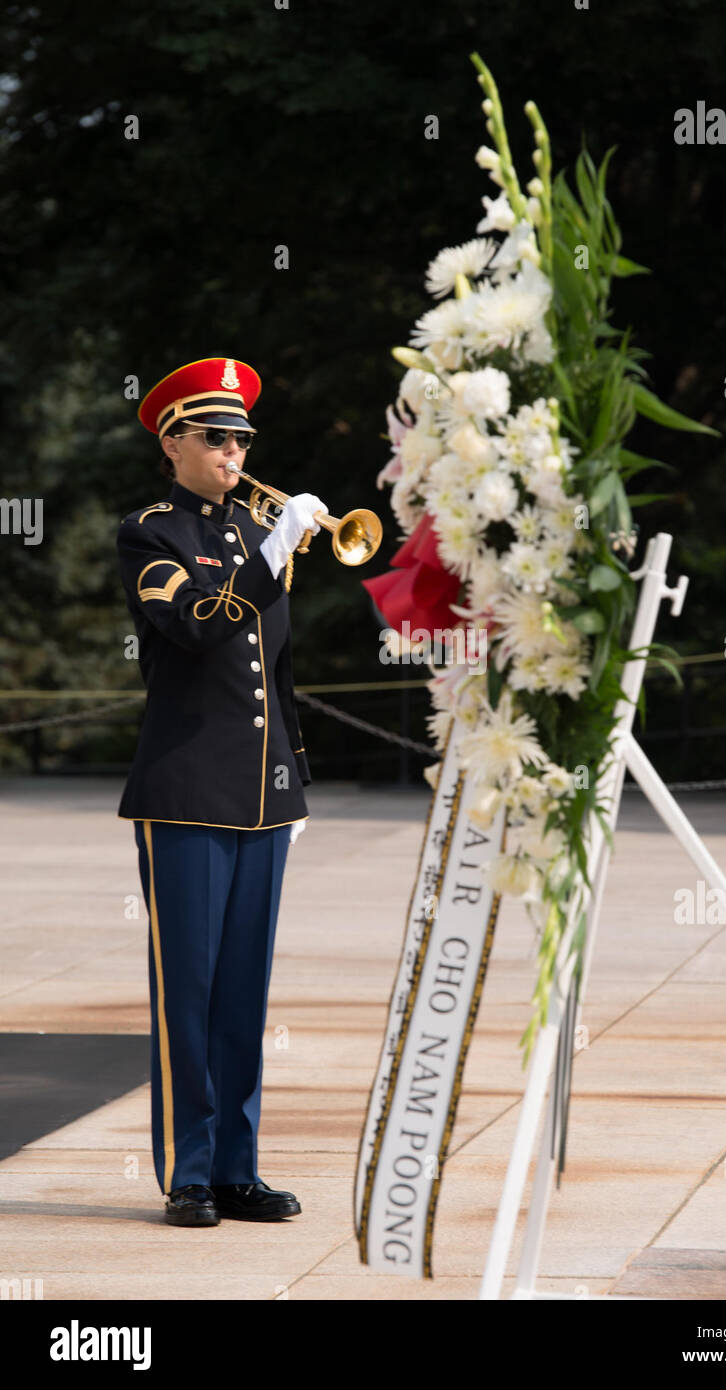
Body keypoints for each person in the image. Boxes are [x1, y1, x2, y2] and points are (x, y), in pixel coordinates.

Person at [116, 356, 327, 1227]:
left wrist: (293, 774)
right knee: (190, 989)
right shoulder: (150, 533)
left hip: (261, 795)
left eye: (242, 436)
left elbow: (273, 676)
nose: (234, 450)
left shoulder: (253, 530)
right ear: (172, 442)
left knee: (244, 990)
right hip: (187, 787)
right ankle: (190, 1172)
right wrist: (273, 557)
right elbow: (201, 629)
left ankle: (238, 1167)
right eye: (216, 436)